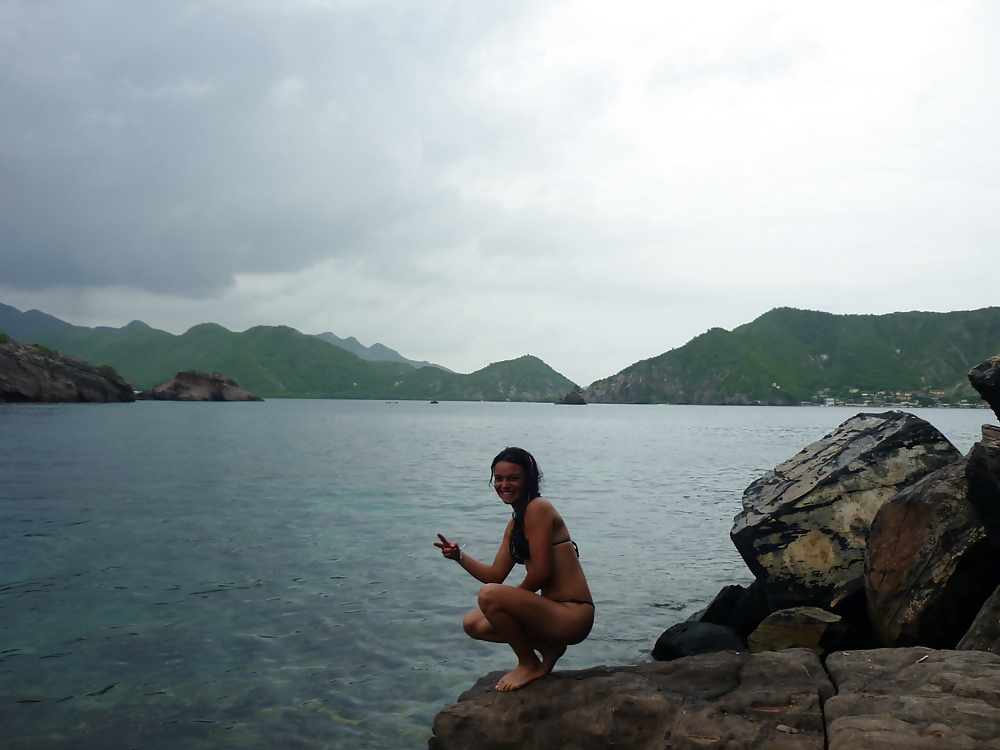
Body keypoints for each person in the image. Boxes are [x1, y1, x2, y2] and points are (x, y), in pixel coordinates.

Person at [434, 447, 594, 691]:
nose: (504, 485)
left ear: (529, 478)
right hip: (550, 616)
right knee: (473, 623)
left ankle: (528, 663)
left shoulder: (538, 508)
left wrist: (512, 602)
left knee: (489, 595)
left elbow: (541, 573)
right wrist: (459, 556)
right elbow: (495, 575)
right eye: (498, 478)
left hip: (572, 616)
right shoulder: (516, 523)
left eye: (513, 478)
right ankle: (548, 647)